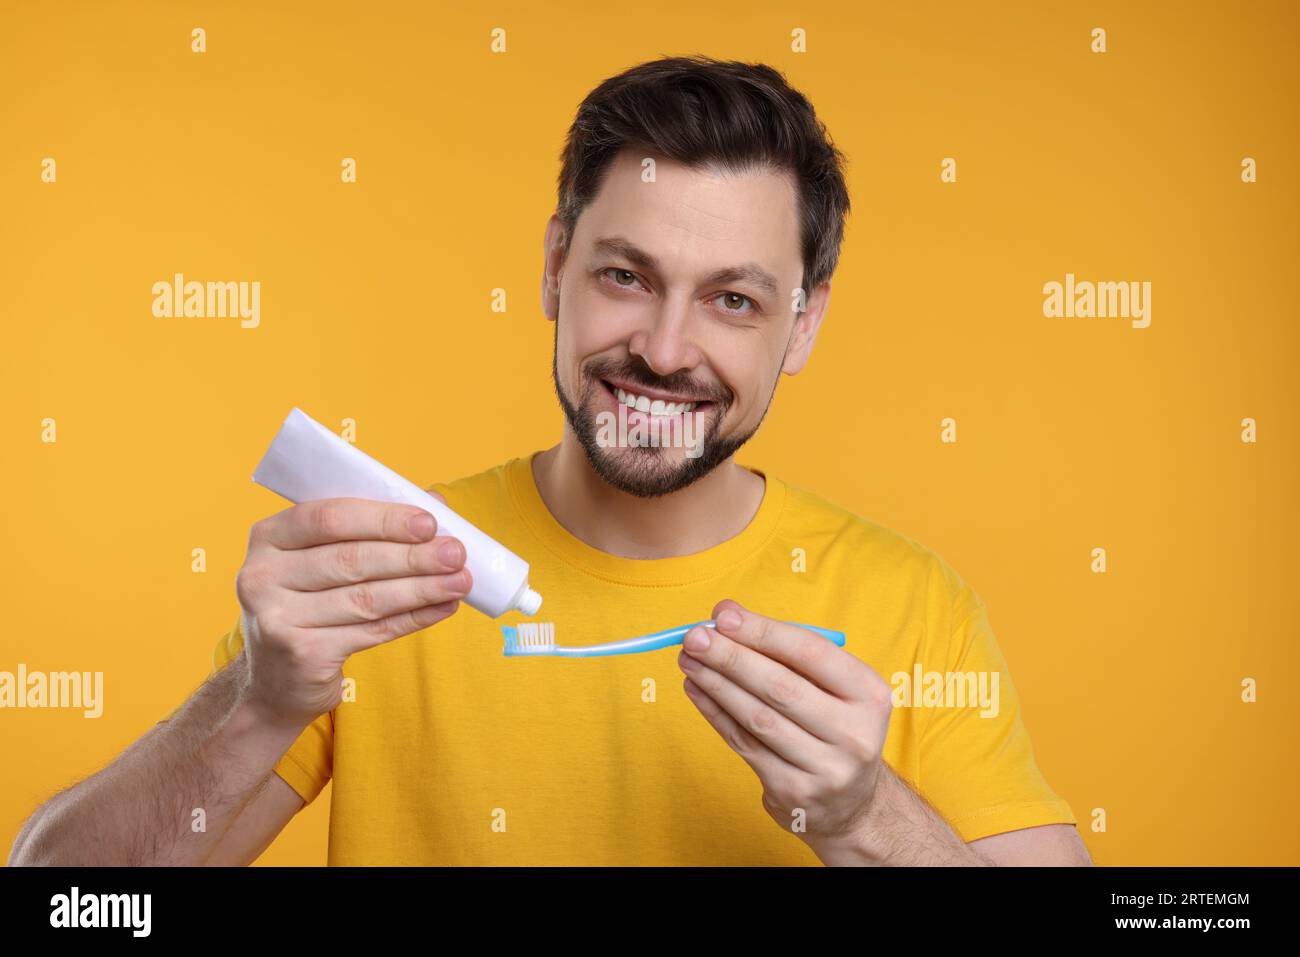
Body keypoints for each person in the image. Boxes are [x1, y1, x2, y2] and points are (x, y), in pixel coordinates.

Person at [9, 55, 1090, 867]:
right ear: (553, 266)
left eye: (732, 299)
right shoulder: (382, 575)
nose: (665, 351)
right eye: (626, 275)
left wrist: (865, 816)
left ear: (800, 327)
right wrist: (261, 698)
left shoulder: (913, 604)